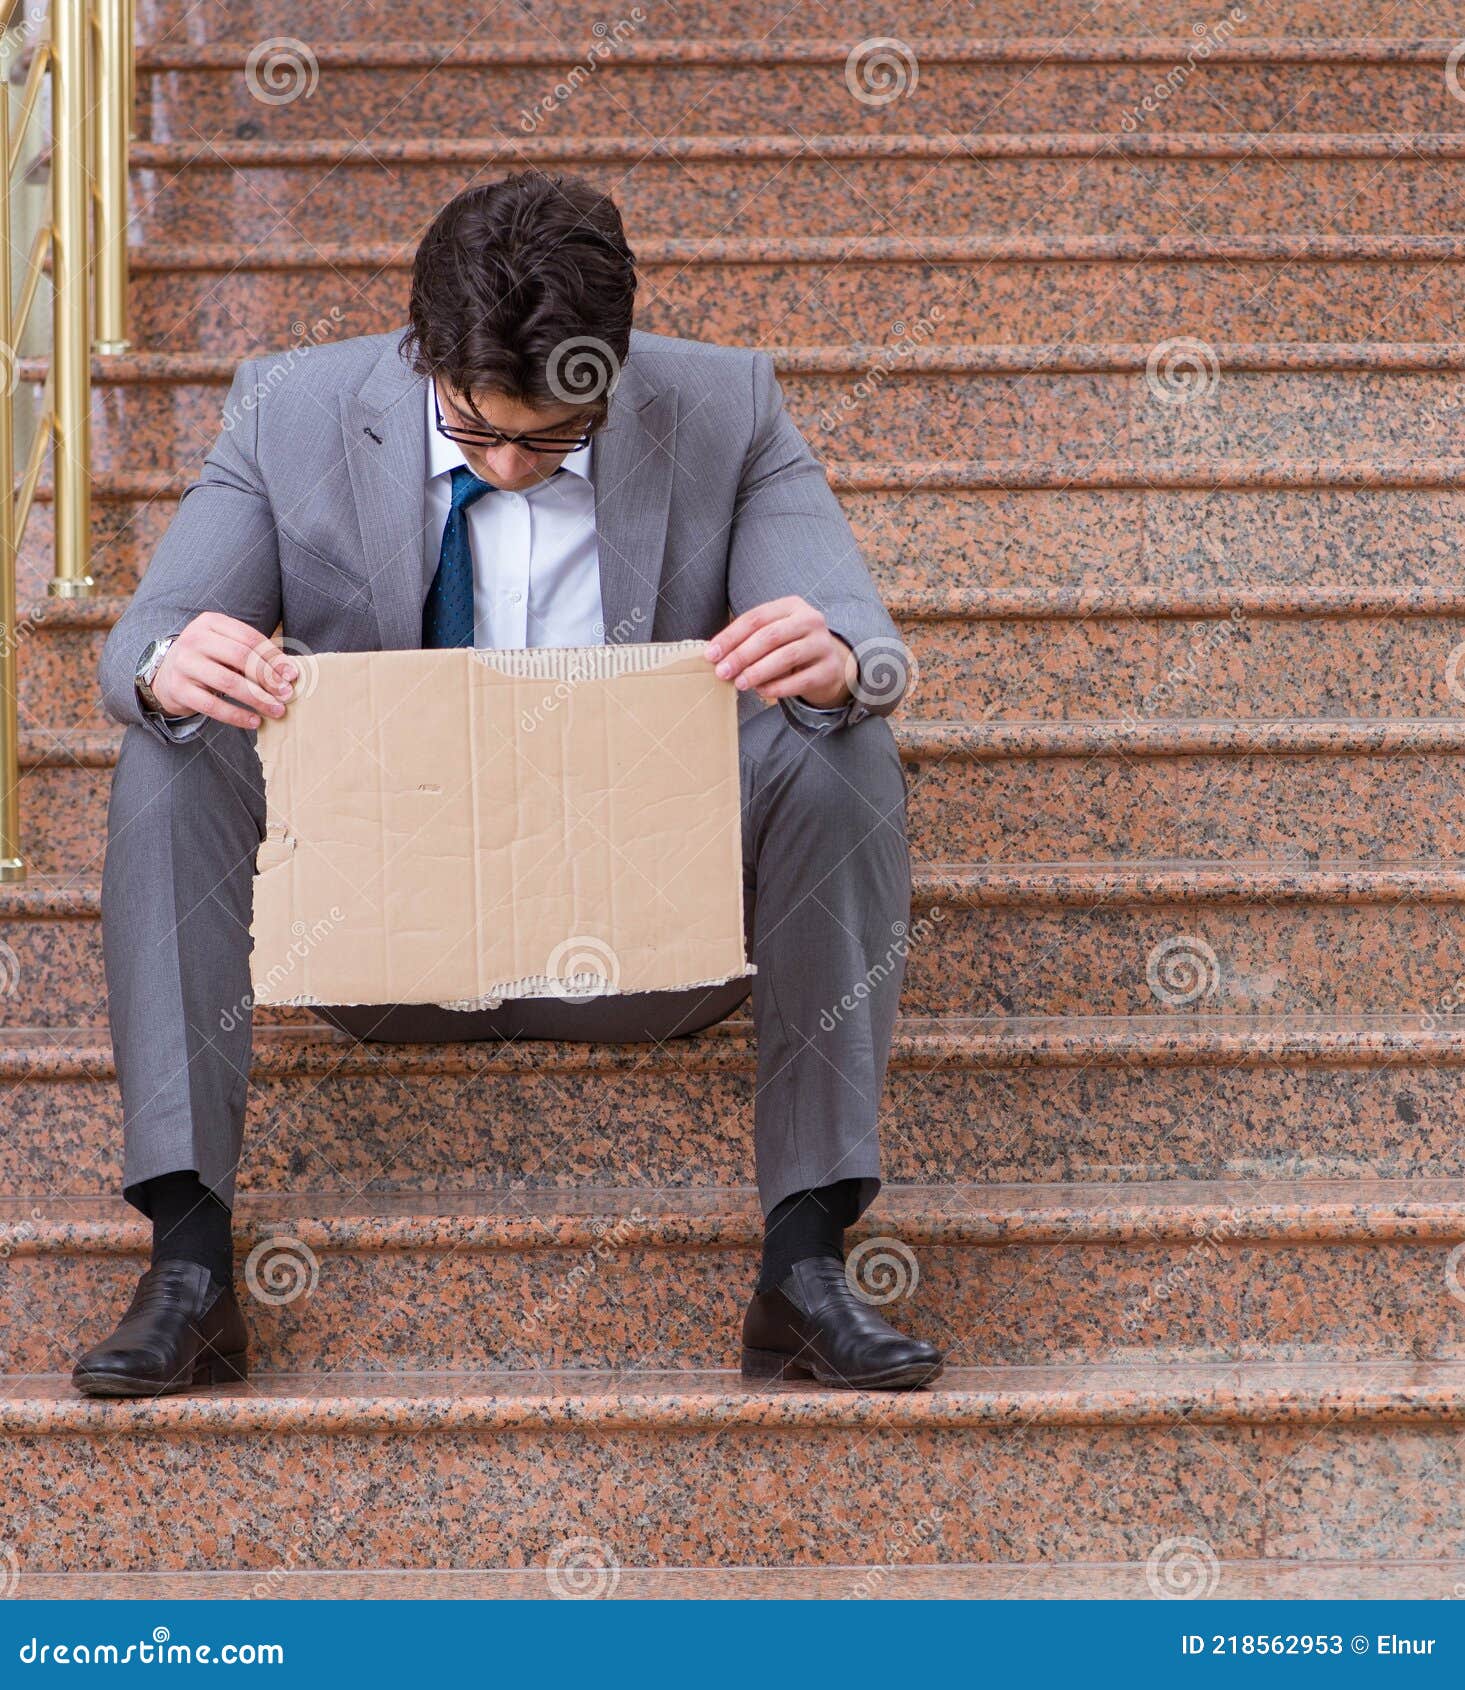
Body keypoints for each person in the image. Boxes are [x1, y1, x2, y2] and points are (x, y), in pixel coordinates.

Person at [71, 168, 940, 1397]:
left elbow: (873, 642)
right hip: (383, 946)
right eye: (476, 433)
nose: (517, 469)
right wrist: (169, 664)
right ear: (423, 353)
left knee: (837, 739)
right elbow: (132, 645)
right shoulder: (288, 411)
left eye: (552, 438)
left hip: (645, 949)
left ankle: (802, 1265)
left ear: (615, 371)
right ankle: (190, 1264)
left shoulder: (725, 405)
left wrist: (843, 660)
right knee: (173, 746)